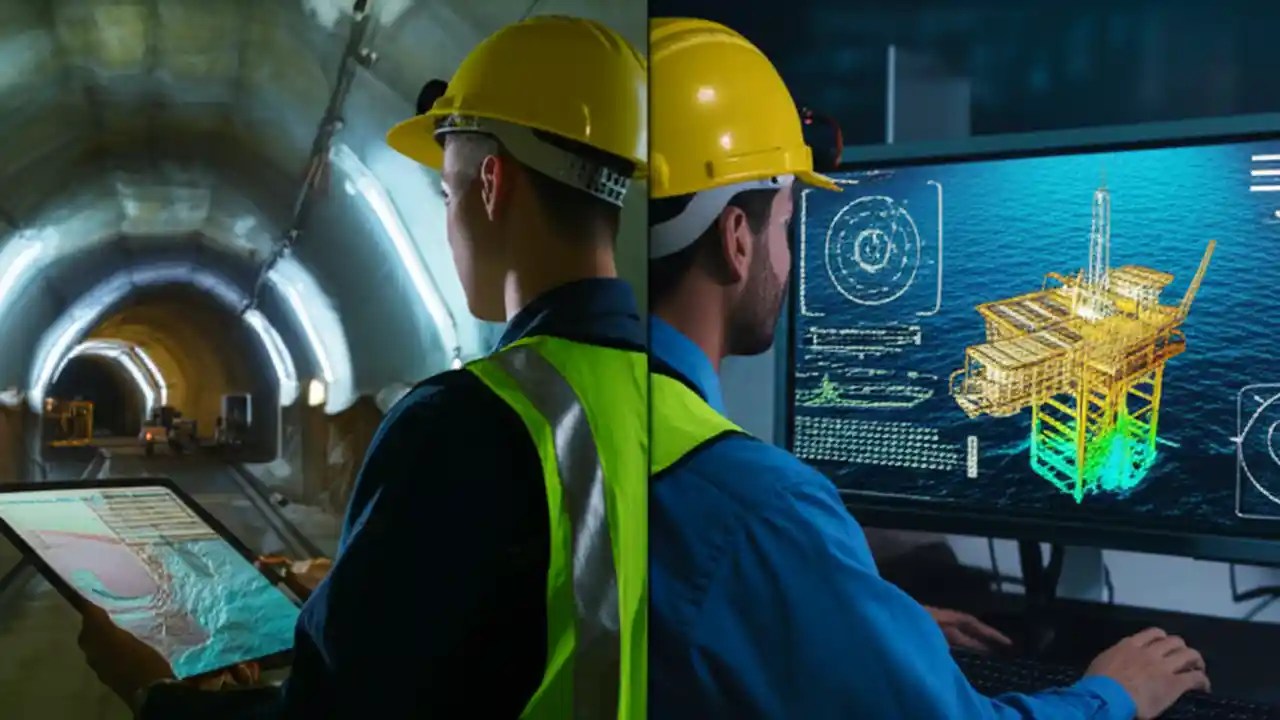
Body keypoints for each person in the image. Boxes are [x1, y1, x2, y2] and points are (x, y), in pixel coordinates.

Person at [77, 14, 648, 719]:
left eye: (446, 193)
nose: (447, 219)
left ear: (492, 184)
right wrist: (358, 591)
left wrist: (151, 690)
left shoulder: (459, 424)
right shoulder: (668, 408)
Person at [645, 17, 1210, 720]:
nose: (789, 256)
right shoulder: (760, 508)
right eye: (790, 223)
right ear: (737, 239)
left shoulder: (579, 428)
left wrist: (868, 628)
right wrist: (1114, 693)